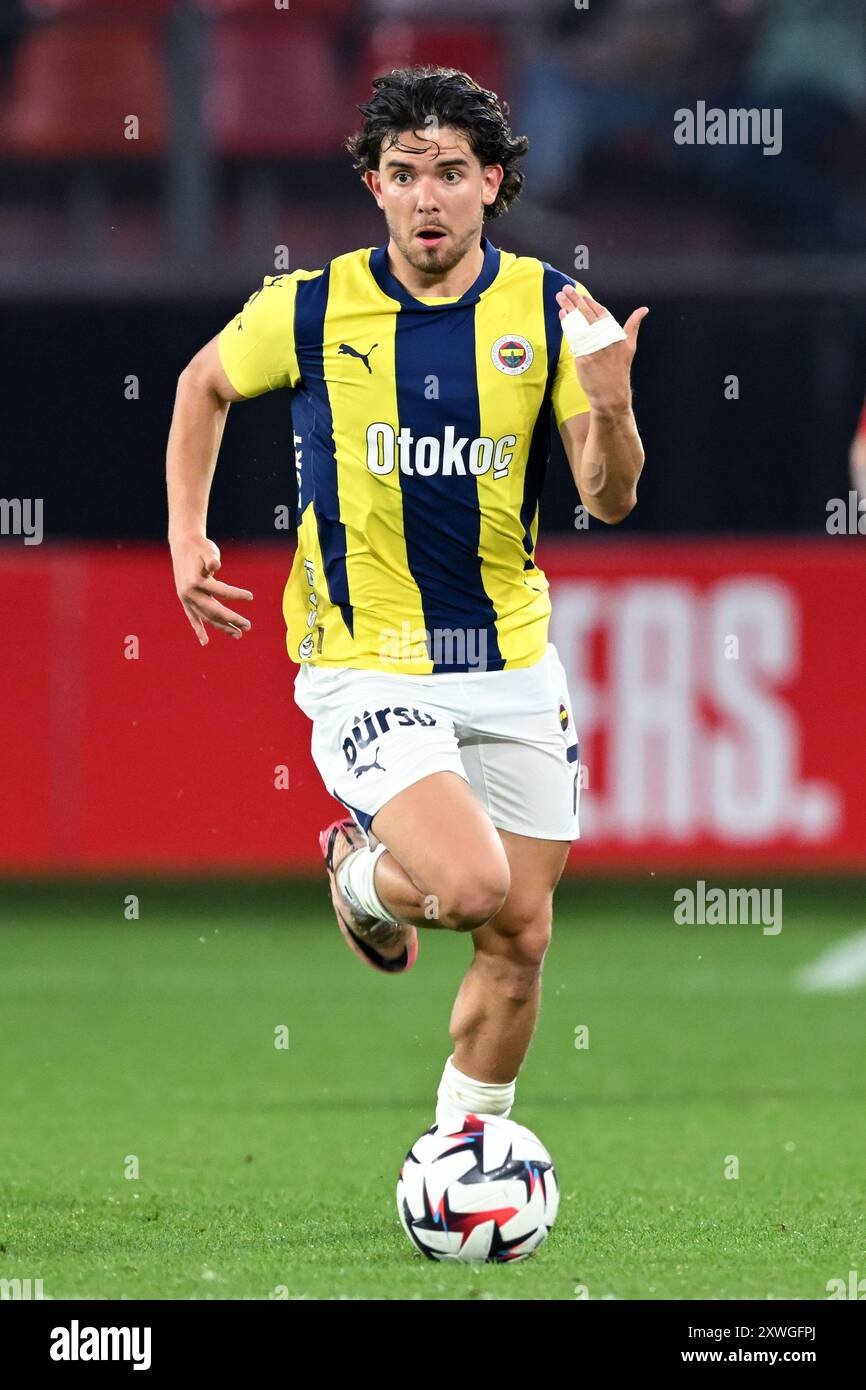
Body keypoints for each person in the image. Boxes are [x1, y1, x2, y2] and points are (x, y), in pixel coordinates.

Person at [166, 66, 646, 1136]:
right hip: (365, 660)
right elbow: (202, 384)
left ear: (492, 184)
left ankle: (465, 1147)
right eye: (401, 174)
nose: (425, 196)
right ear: (374, 188)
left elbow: (610, 499)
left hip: (512, 661)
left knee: (519, 939)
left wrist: (610, 410)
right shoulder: (307, 306)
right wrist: (185, 531)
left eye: (448, 173)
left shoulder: (548, 310)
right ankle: (360, 872)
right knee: (472, 885)